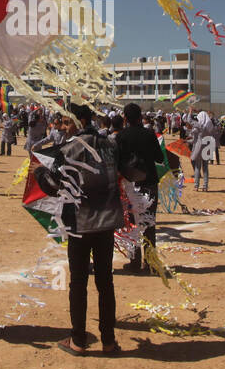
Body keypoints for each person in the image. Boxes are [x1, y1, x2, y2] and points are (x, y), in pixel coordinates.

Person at [34, 104, 123, 355]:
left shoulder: (69, 148)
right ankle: (108, 340)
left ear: (79, 120)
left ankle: (78, 340)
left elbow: (53, 186)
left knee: (79, 282)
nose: (62, 127)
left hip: (80, 223)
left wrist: (40, 172)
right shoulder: (110, 145)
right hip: (106, 221)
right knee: (106, 282)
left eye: (66, 122)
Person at [116, 103, 163, 273]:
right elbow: (159, 158)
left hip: (129, 185)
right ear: (140, 116)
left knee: (131, 223)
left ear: (126, 118)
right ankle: (150, 262)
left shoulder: (121, 136)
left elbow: (117, 162)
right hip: (149, 182)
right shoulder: (149, 134)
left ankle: (134, 261)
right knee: (149, 224)